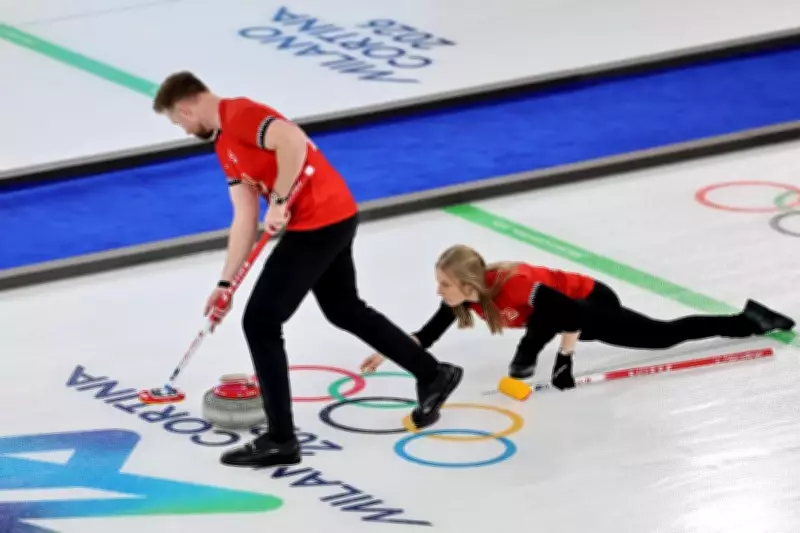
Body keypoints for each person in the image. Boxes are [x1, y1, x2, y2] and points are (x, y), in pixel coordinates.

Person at [151, 71, 462, 468]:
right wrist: (225, 282)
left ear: (185, 106)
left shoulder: (240, 114)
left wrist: (279, 199)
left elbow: (292, 140)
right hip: (329, 218)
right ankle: (433, 374)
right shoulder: (224, 144)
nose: (182, 129)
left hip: (319, 221)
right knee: (343, 308)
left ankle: (281, 439)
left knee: (261, 322)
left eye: (178, 121)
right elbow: (245, 215)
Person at [361, 244, 794, 390]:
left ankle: (749, 321)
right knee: (538, 329)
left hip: (589, 302)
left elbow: (563, 313)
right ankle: (748, 318)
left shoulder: (511, 285)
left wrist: (562, 359)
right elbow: (427, 334)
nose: (439, 292)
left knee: (661, 337)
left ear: (469, 284)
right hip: (559, 315)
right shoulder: (464, 298)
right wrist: (388, 349)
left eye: (445, 285)